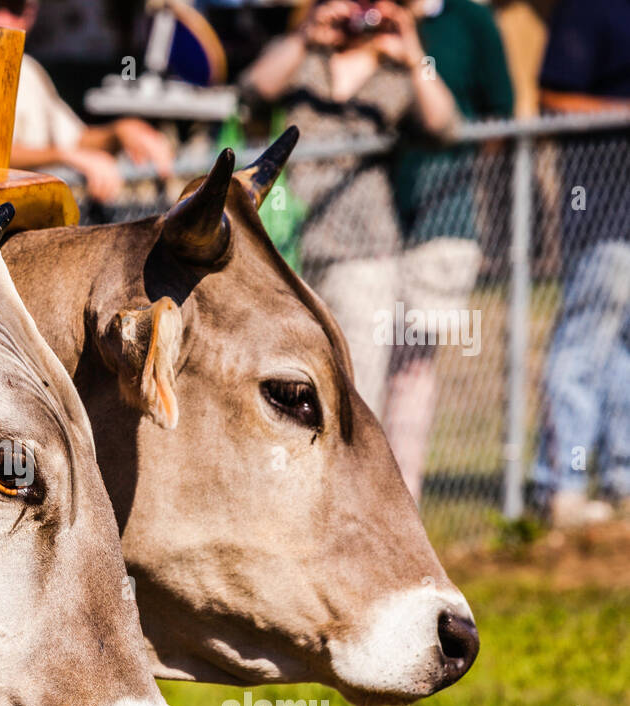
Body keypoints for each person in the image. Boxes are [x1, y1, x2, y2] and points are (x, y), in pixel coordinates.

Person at [240, 0, 458, 417]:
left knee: (356, 392)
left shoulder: (398, 70)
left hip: (364, 253)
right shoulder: (305, 57)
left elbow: (445, 124)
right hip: (286, 251)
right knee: (286, 387)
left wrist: (414, 54)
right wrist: (306, 35)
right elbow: (253, 89)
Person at [384, 0, 514, 503]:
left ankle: (400, 500)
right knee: (362, 363)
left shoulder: (470, 21)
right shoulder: (367, 17)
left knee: (412, 367)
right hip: (365, 223)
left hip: (441, 219)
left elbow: (498, 116)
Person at [530, 0, 630, 528]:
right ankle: (561, 489)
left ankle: (621, 481)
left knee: (622, 353)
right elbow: (551, 99)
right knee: (583, 350)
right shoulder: (590, 9)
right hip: (602, 211)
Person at [0, 0, 174, 204]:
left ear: (30, 13)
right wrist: (62, 156)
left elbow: (76, 139)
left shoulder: (30, 70)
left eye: (14, 7)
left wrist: (121, 131)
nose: (2, 19)